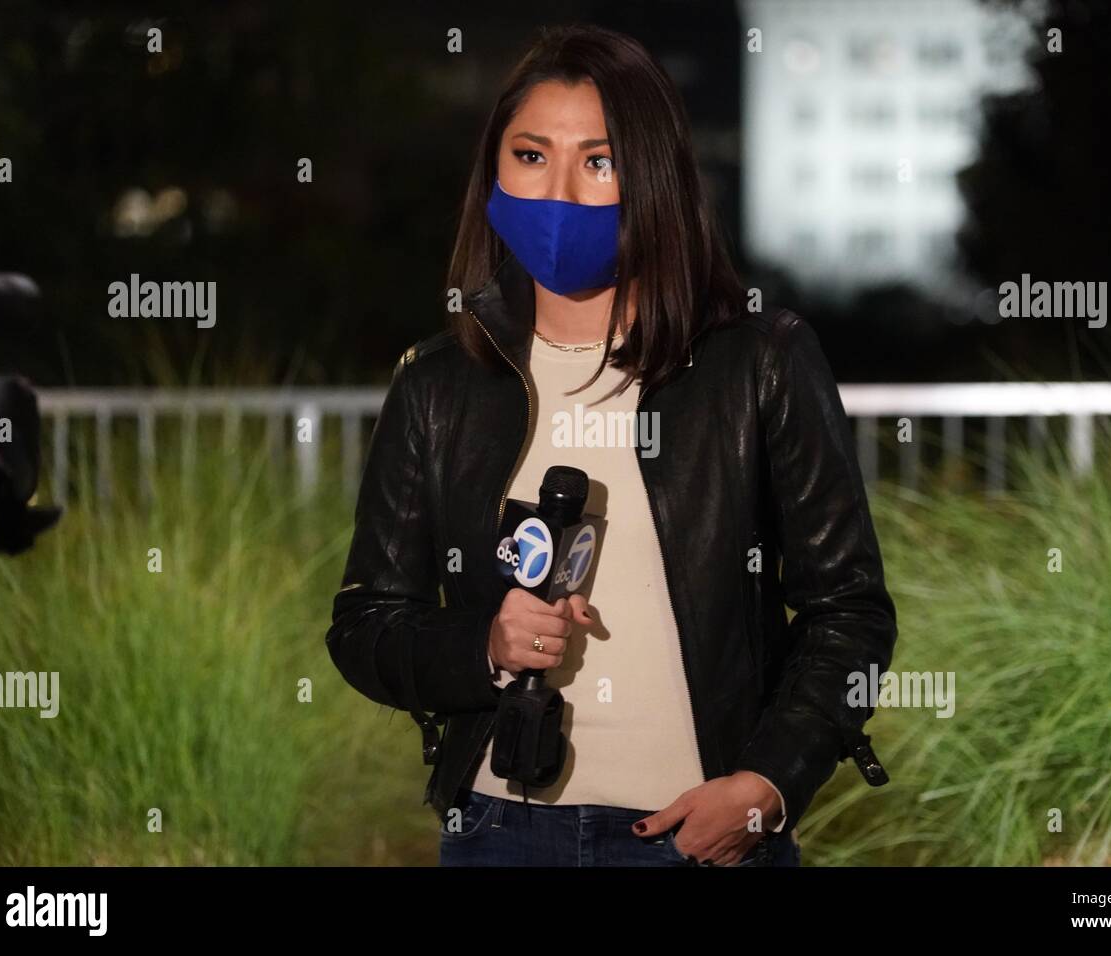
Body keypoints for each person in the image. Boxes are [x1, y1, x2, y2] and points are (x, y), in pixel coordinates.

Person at [326, 23, 897, 867]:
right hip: (498, 832)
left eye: (599, 162)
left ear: (654, 176)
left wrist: (767, 785)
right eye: (530, 156)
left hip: (700, 836)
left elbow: (847, 611)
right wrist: (481, 645)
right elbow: (365, 622)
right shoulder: (437, 385)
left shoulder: (760, 362)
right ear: (494, 171)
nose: (559, 192)